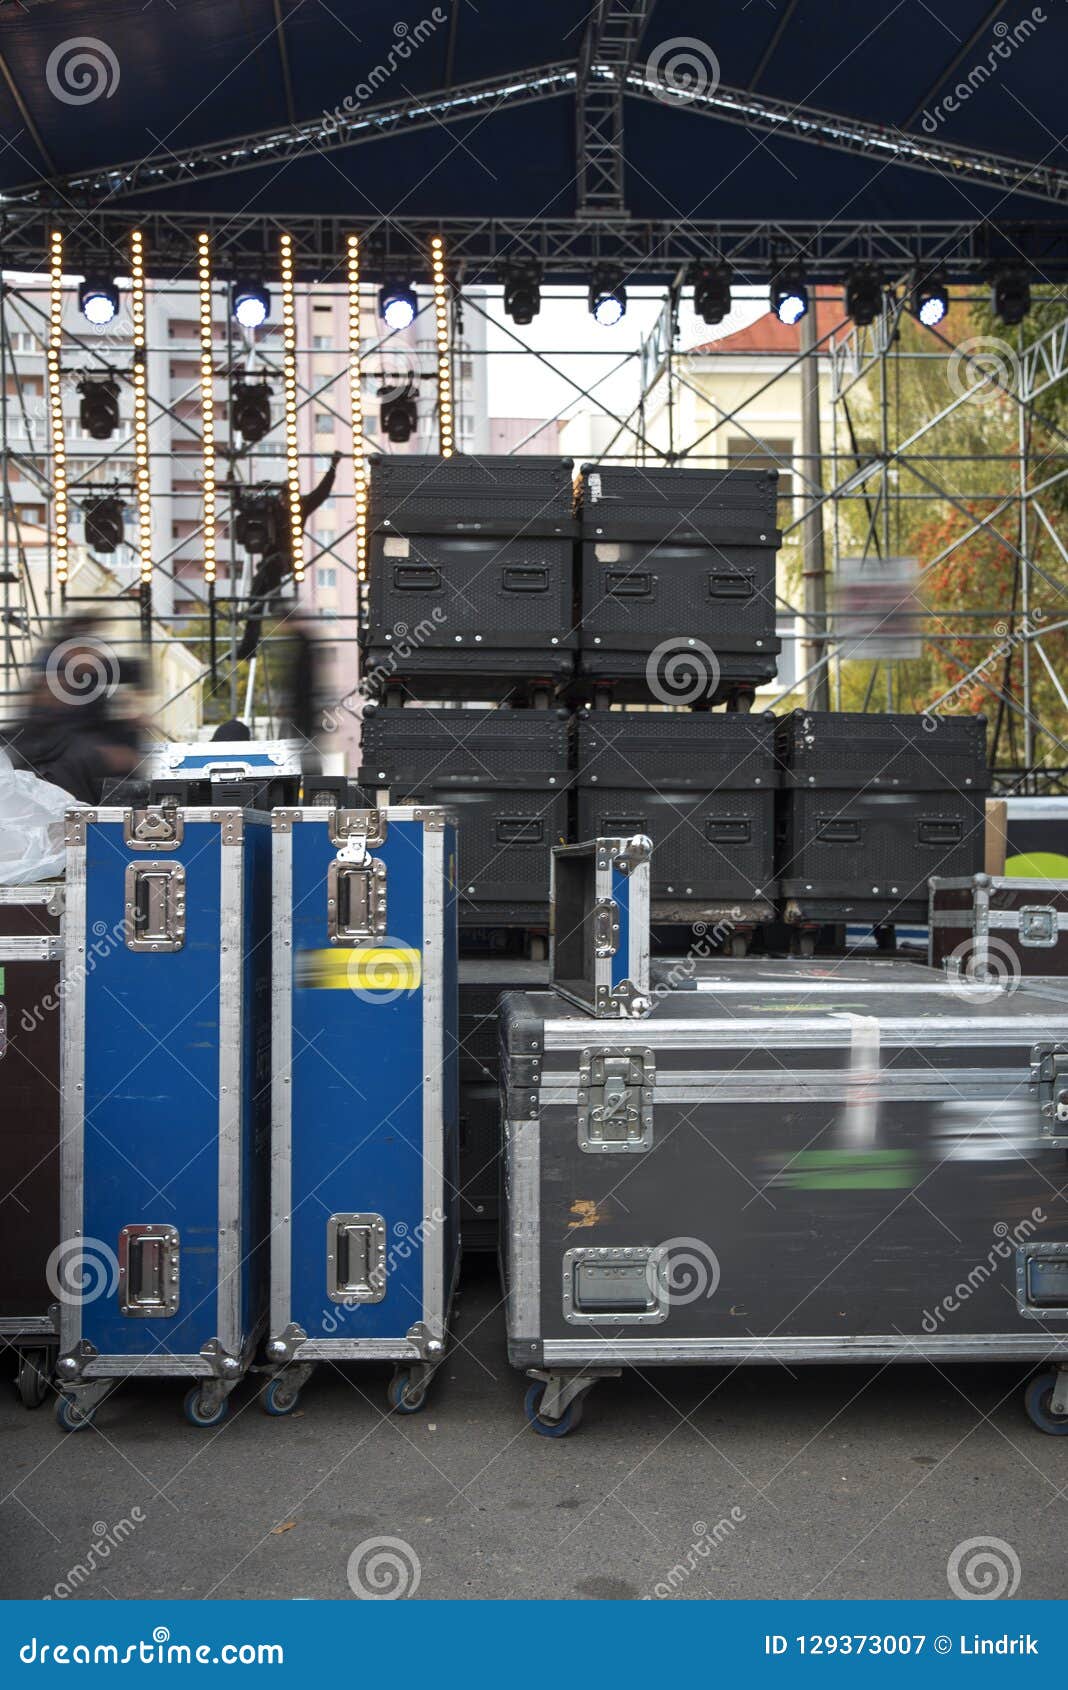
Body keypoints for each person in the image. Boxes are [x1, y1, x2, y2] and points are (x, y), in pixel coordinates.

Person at [3, 618, 148, 804]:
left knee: (128, 740)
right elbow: (52, 735)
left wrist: (131, 719)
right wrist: (100, 753)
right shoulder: (52, 684)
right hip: (54, 757)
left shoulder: (88, 675)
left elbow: (133, 671)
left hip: (83, 743)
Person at [236, 451, 342, 661]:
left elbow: (321, 493)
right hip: (268, 564)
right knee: (255, 598)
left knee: (272, 566)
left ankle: (275, 603)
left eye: (288, 497)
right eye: (283, 497)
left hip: (287, 559)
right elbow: (245, 507)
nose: (285, 501)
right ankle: (248, 646)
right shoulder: (271, 507)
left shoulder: (301, 506)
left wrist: (332, 467)